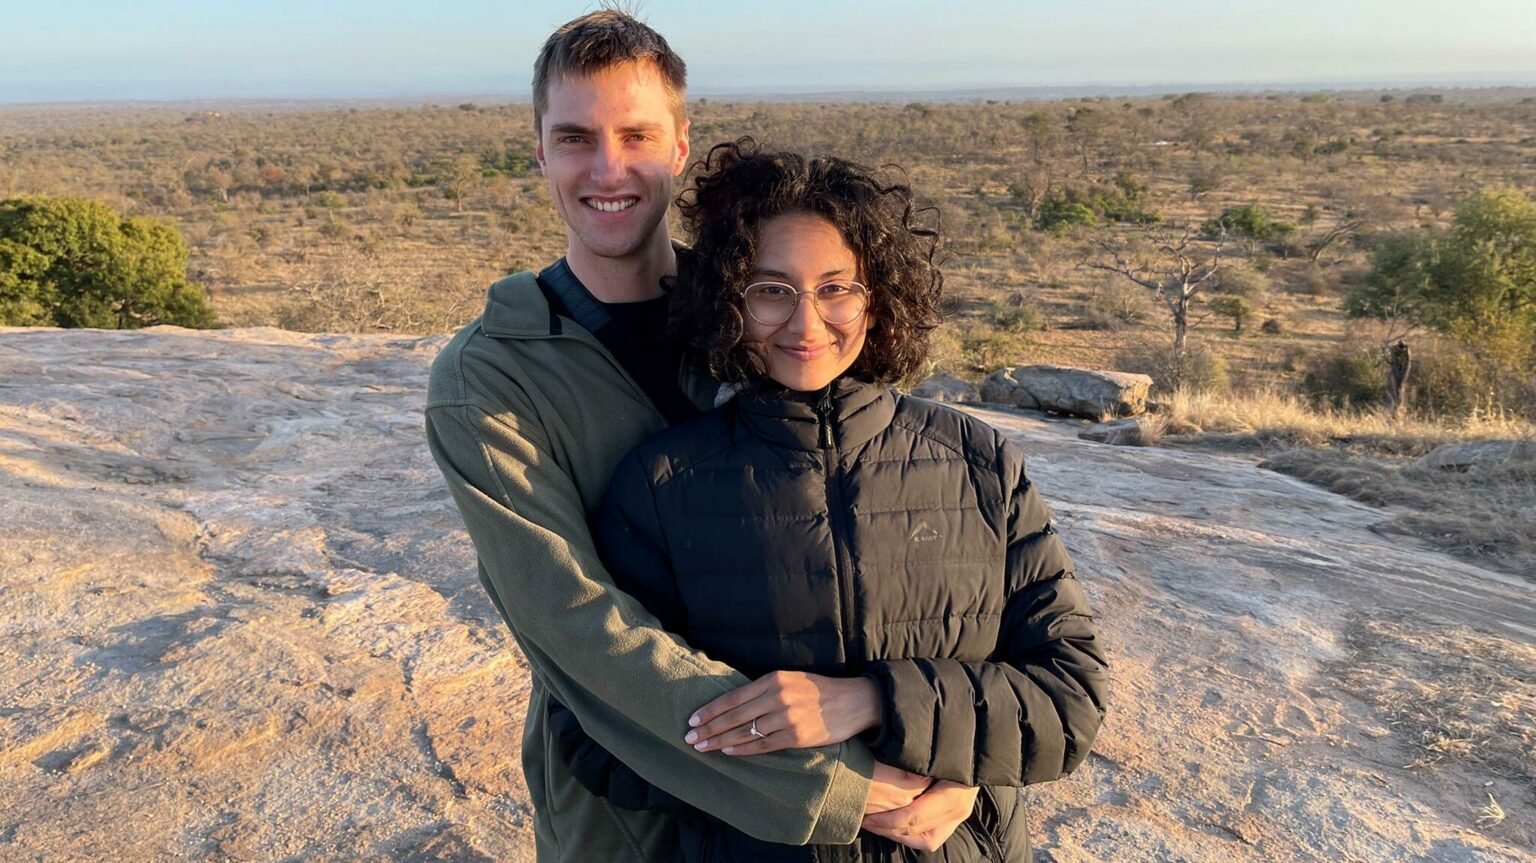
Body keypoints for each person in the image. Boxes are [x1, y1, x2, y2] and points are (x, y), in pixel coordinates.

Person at [425, 11, 937, 863]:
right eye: (576, 137)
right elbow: (576, 626)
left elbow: (888, 522)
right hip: (633, 808)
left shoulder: (775, 310)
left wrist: (937, 733)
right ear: (540, 153)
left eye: (636, 133)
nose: (608, 167)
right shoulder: (488, 382)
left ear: (680, 146)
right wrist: (825, 780)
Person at [548, 139, 1109, 861]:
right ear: (728, 302)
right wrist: (828, 780)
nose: (807, 325)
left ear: (879, 300)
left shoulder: (979, 465)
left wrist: (878, 703)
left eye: (836, 288)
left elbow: (1070, 700)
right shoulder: (662, 486)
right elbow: (594, 729)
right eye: (771, 290)